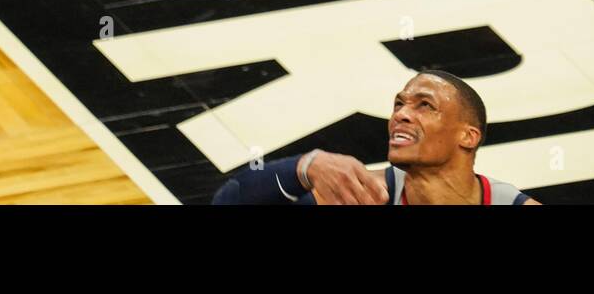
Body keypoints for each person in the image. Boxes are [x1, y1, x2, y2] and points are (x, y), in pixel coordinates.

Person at [212, 70, 539, 205]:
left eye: (425, 105)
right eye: (399, 103)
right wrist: (303, 168)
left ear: (468, 137)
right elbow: (229, 198)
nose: (402, 114)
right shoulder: (362, 196)